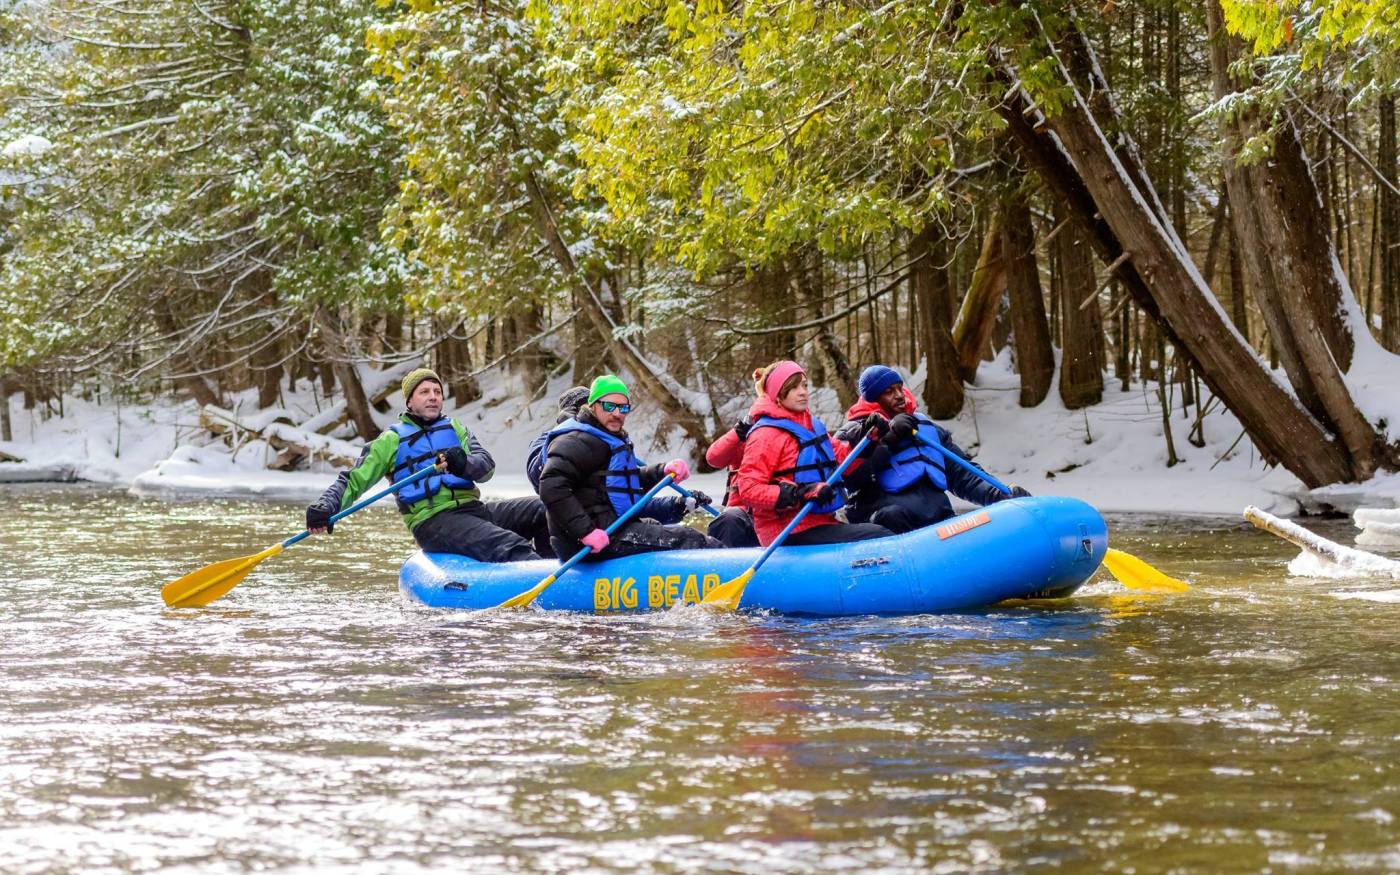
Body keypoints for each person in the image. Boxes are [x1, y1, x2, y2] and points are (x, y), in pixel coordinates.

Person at [305, 367, 550, 562]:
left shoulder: (455, 428)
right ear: (409, 401)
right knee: (509, 544)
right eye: (424, 392)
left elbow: (487, 467)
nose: (433, 396)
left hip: (475, 511)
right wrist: (326, 506)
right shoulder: (391, 440)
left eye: (437, 391)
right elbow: (353, 479)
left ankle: (560, 565)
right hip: (433, 522)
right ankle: (552, 587)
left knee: (545, 508)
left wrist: (462, 464)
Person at [539, 374, 722, 560]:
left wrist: (662, 470)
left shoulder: (603, 438)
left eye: (623, 408)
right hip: (586, 544)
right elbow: (551, 487)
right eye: (609, 406)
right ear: (593, 405)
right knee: (690, 539)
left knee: (661, 527)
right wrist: (585, 532)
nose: (617, 413)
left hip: (613, 527)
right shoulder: (575, 441)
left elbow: (621, 480)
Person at [836, 364, 1030, 534]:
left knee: (953, 521)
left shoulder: (928, 429)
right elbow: (848, 478)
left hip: (938, 520)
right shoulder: (853, 433)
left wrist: (999, 494)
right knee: (892, 515)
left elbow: (963, 473)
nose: (899, 396)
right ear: (873, 399)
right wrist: (889, 439)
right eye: (888, 392)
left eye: (899, 389)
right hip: (888, 523)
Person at [734, 360, 893, 547]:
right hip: (785, 530)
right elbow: (748, 489)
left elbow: (842, 461)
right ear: (777, 394)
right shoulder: (765, 434)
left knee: (881, 531)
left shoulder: (810, 425)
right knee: (880, 536)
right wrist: (800, 493)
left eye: (804, 385)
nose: (802, 392)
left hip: (819, 522)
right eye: (793, 388)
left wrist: (868, 440)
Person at [527, 384, 708, 525]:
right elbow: (540, 478)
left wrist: (678, 503)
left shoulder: (611, 444)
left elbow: (625, 495)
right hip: (573, 526)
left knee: (650, 524)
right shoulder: (556, 441)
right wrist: (567, 436)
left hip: (610, 520)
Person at [701, 368, 763, 548]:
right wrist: (739, 432)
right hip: (740, 516)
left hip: (776, 516)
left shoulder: (794, 433)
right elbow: (713, 458)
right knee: (728, 520)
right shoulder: (744, 437)